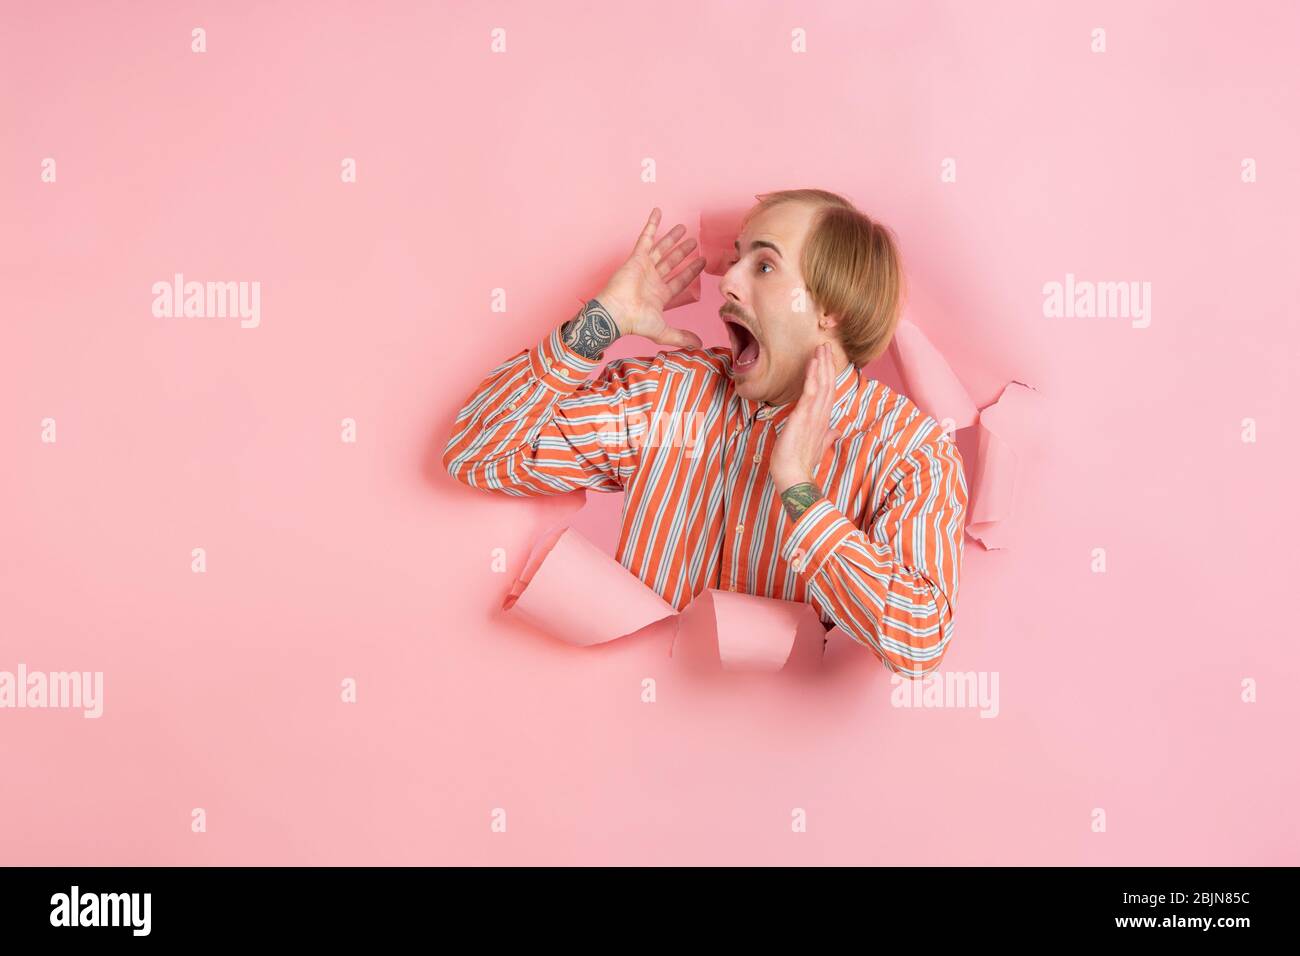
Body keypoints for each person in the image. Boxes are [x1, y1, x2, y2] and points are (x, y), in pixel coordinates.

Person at [442, 189, 969, 678]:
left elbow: (918, 640)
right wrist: (601, 322)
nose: (730, 281)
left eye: (763, 265)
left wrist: (799, 491)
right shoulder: (671, 395)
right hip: (629, 746)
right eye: (736, 259)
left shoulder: (909, 451)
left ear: (832, 308)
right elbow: (477, 452)